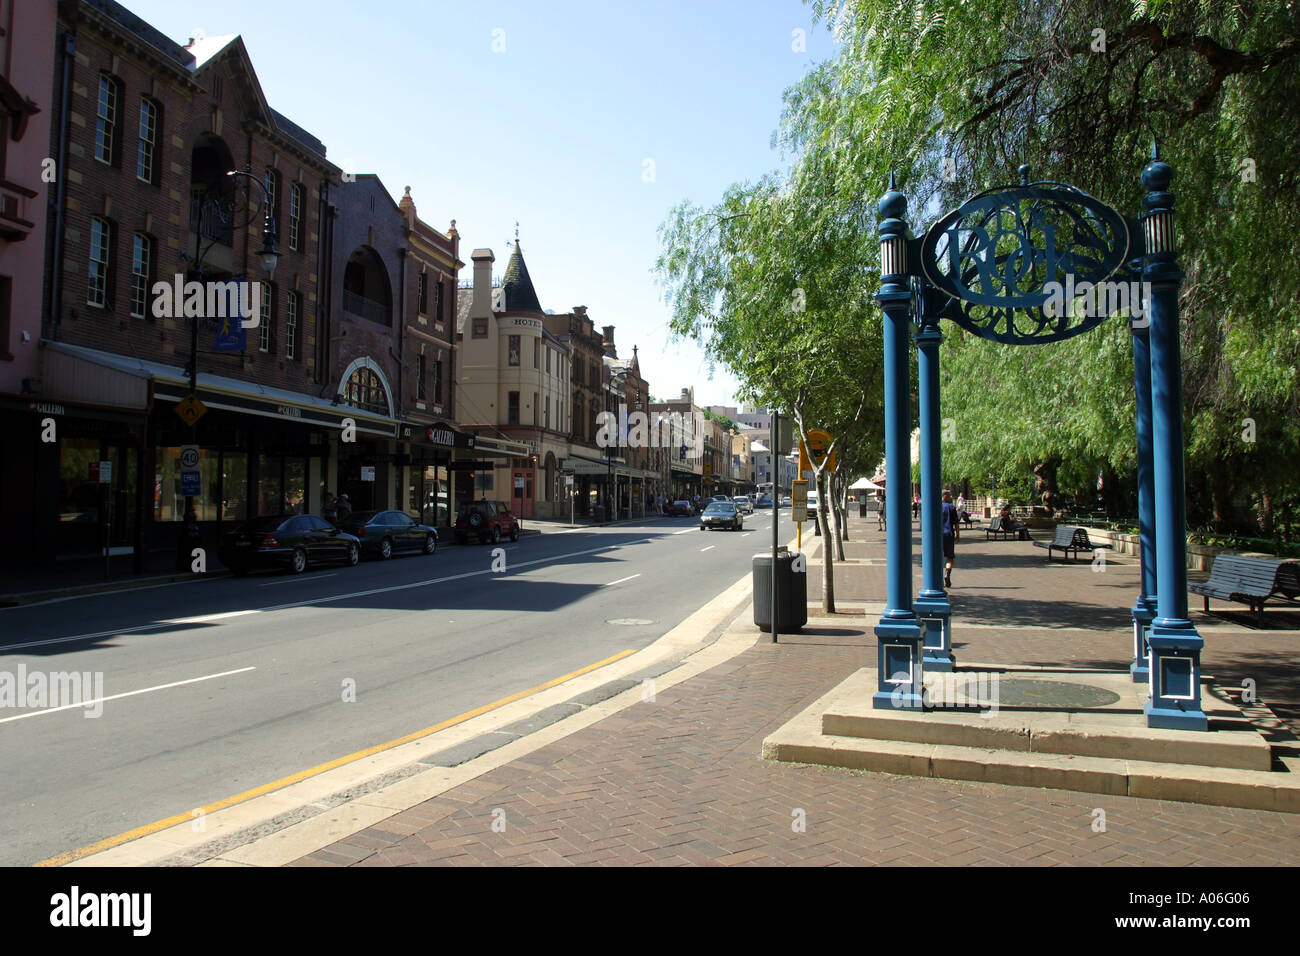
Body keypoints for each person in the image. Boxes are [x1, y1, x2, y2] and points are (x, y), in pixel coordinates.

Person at [942, 490, 959, 588]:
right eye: (949, 496)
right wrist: (958, 534)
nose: (951, 497)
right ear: (944, 496)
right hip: (949, 534)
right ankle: (947, 574)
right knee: (950, 557)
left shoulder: (936, 506)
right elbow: (956, 523)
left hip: (937, 535)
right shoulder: (951, 508)